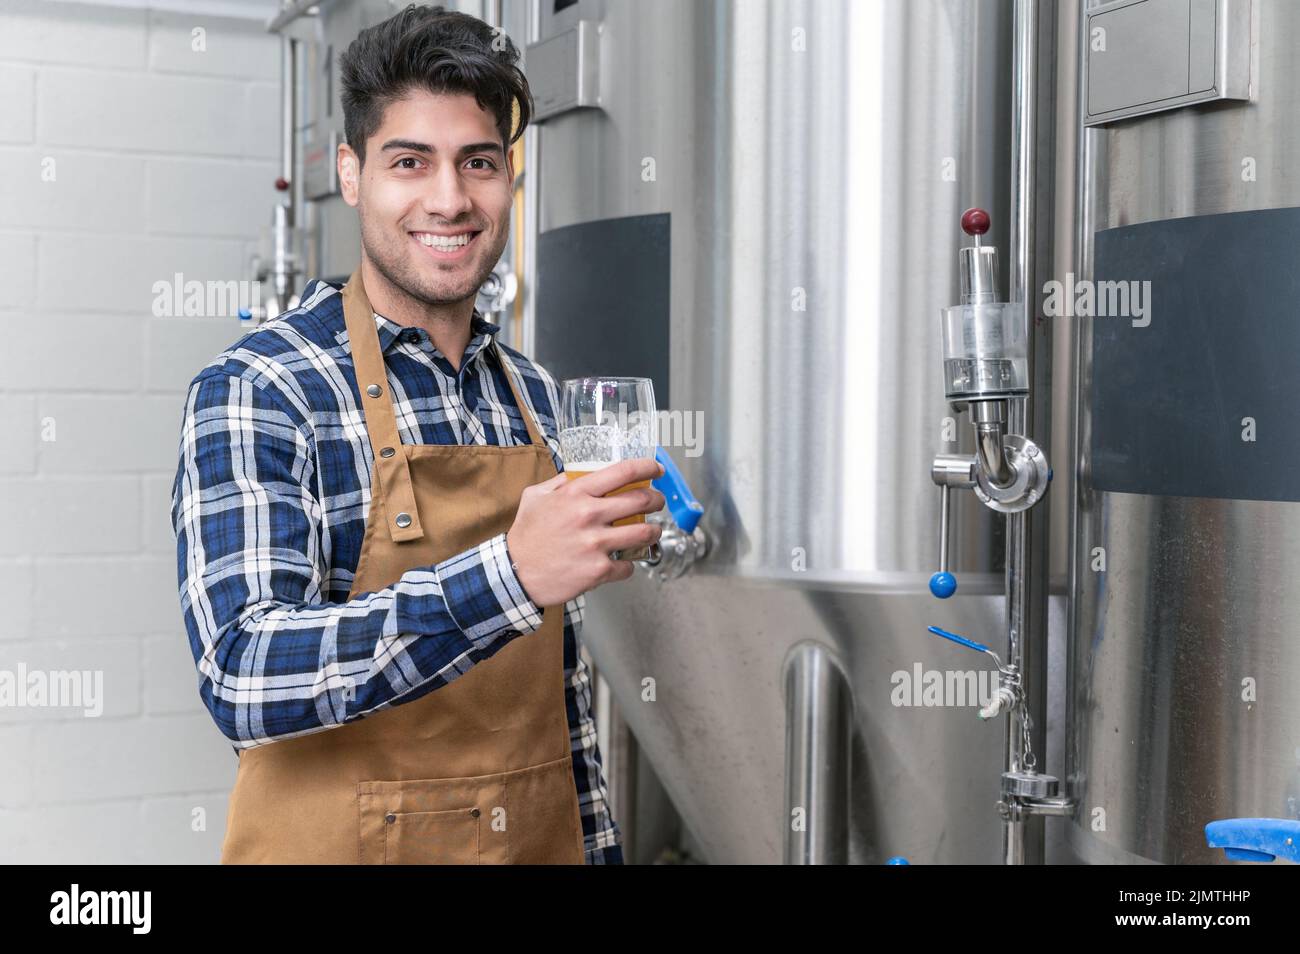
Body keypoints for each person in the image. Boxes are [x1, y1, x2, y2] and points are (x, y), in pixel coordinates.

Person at [170, 3, 664, 865]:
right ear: (351, 173)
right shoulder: (261, 388)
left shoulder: (539, 397)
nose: (450, 198)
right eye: (411, 162)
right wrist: (508, 573)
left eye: (479, 163)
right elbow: (243, 674)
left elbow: (563, 702)